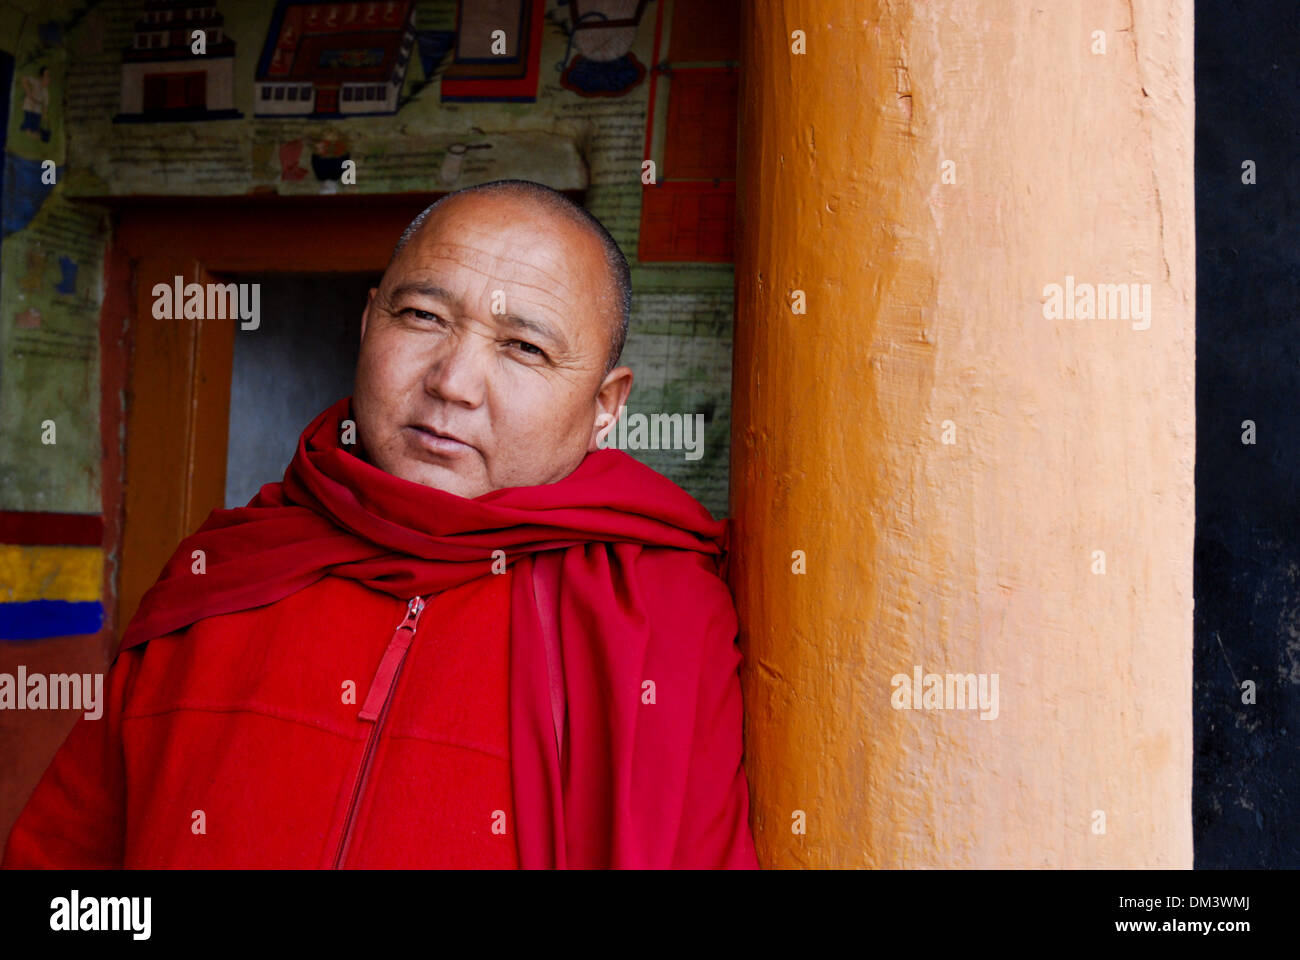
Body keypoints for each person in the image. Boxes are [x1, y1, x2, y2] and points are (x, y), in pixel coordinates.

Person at [2, 179, 758, 869]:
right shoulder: (226, 571)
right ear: (369, 320)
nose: (453, 384)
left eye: (524, 347)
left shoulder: (659, 613)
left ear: (606, 405)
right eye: (423, 316)